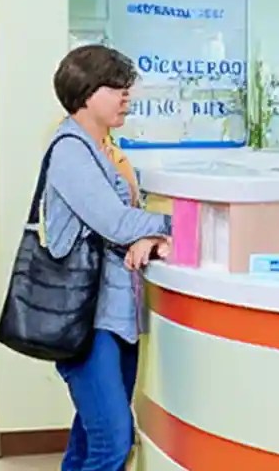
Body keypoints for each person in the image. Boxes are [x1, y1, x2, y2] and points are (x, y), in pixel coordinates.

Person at [45, 45, 173, 471]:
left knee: (90, 438)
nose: (125, 97)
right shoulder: (70, 150)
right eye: (116, 87)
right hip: (87, 318)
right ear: (85, 93)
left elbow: (124, 220)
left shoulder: (103, 148)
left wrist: (148, 233)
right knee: (113, 442)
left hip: (117, 312)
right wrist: (177, 226)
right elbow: (116, 222)